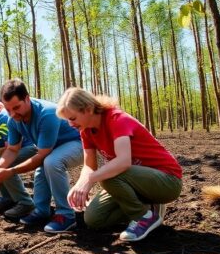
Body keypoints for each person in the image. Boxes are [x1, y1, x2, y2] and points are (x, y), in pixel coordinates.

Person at [56, 87, 182, 242]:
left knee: (108, 175)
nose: (70, 124)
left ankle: (144, 217)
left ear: (88, 109)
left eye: (73, 118)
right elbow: (89, 166)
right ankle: (147, 207)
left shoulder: (116, 119)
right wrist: (79, 185)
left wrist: (91, 179)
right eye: (67, 119)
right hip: (134, 181)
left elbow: (123, 161)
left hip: (167, 181)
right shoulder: (86, 131)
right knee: (94, 219)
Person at [0, 79, 84, 232]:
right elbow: (12, 150)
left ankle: (66, 215)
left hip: (78, 144)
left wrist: (10, 172)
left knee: (51, 162)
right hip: (52, 149)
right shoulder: (13, 119)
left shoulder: (48, 113)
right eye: (8, 109)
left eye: (16, 107)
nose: (12, 114)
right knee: (43, 169)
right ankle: (41, 210)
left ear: (27, 98)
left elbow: (42, 155)